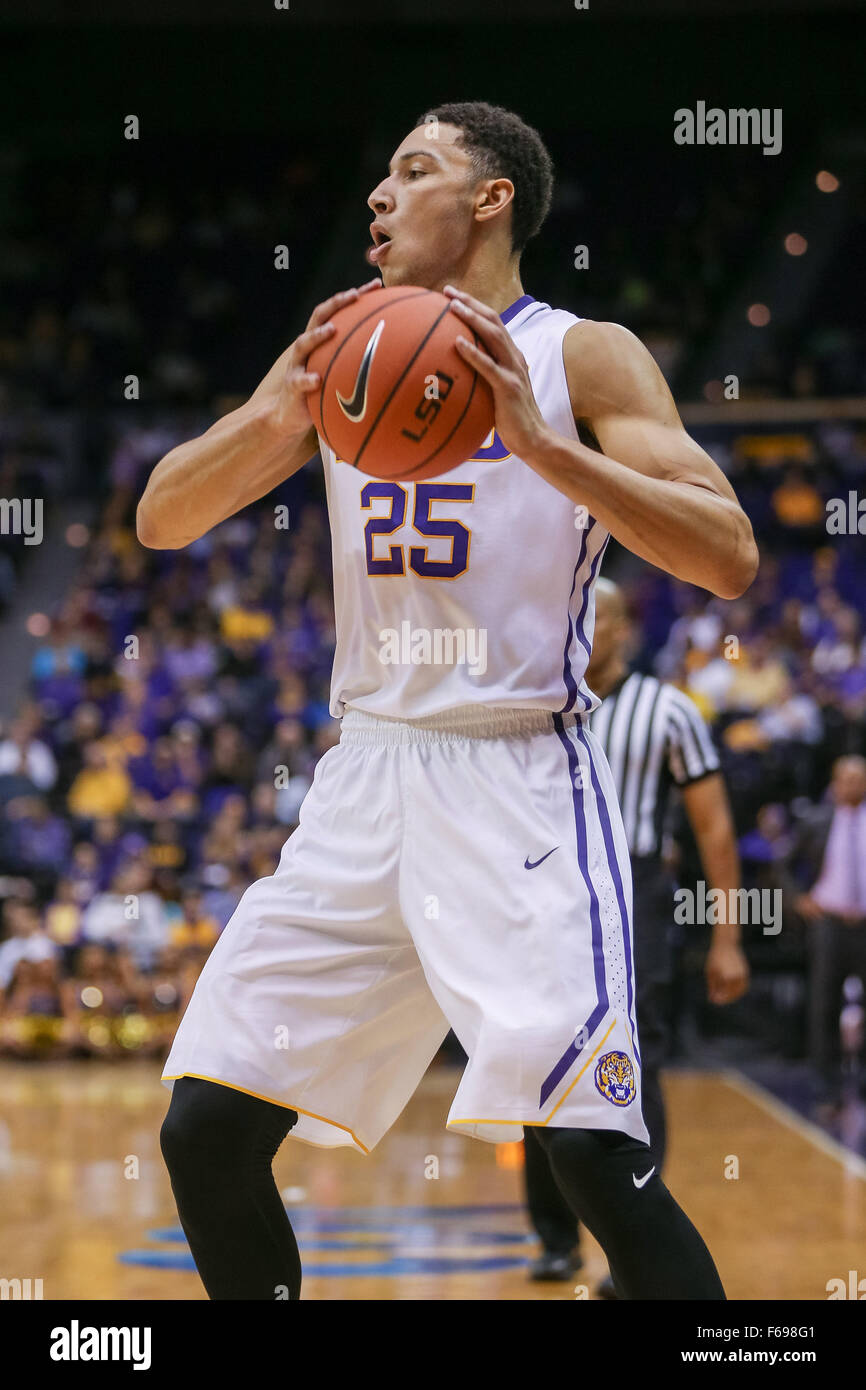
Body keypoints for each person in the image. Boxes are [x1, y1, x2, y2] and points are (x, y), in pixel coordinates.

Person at [139, 101, 758, 1301]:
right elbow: (162, 518)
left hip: (518, 775)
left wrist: (542, 446)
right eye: (377, 176)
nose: (377, 195)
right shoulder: (337, 350)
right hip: (366, 775)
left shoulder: (582, 355)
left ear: (490, 201)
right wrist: (277, 413)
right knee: (202, 1129)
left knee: (588, 1153)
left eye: (411, 171)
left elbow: (726, 552)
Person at [523, 579, 750, 1290]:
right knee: (536, 1055)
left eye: (599, 617)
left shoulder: (669, 710)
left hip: (639, 890)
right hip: (548, 885)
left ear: (621, 628)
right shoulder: (532, 709)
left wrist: (727, 936)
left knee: (632, 1052)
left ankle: (634, 1248)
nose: (586, 628)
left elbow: (714, 830)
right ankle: (556, 1238)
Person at [792, 755, 866, 1089]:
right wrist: (798, 898)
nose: (853, 784)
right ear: (835, 783)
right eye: (846, 778)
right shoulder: (817, 820)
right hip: (829, 922)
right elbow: (783, 861)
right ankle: (826, 1086)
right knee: (824, 1004)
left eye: (859, 778)